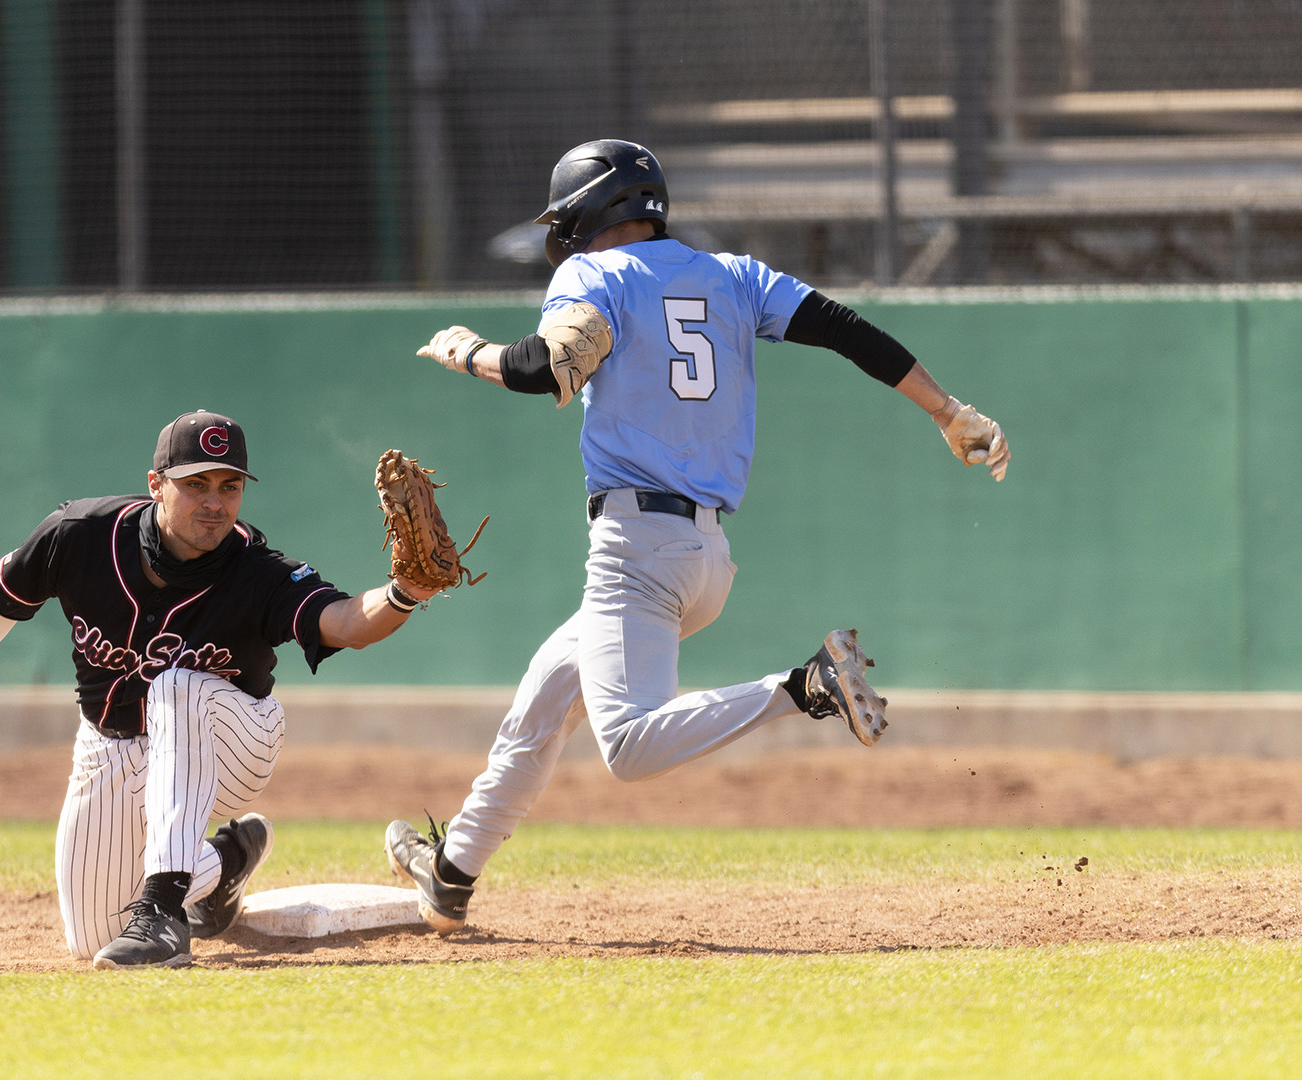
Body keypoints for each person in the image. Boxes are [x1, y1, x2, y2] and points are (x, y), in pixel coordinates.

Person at [385, 139, 1010, 933]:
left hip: (637, 551)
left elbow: (549, 365)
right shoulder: (733, 275)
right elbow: (849, 331)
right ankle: (452, 873)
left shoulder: (594, 273)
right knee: (543, 703)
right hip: (704, 556)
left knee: (630, 748)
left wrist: (466, 352)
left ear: (586, 215)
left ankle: (803, 688)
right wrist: (950, 412)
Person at [0, 410, 444, 968]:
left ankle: (164, 909)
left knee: (176, 687)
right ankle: (226, 861)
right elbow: (1, 602)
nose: (215, 503)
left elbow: (342, 621)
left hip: (234, 743)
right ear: (156, 485)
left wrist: (405, 593)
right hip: (114, 746)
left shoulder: (255, 571)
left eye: (229, 486)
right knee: (94, 939)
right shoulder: (81, 535)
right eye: (196, 485)